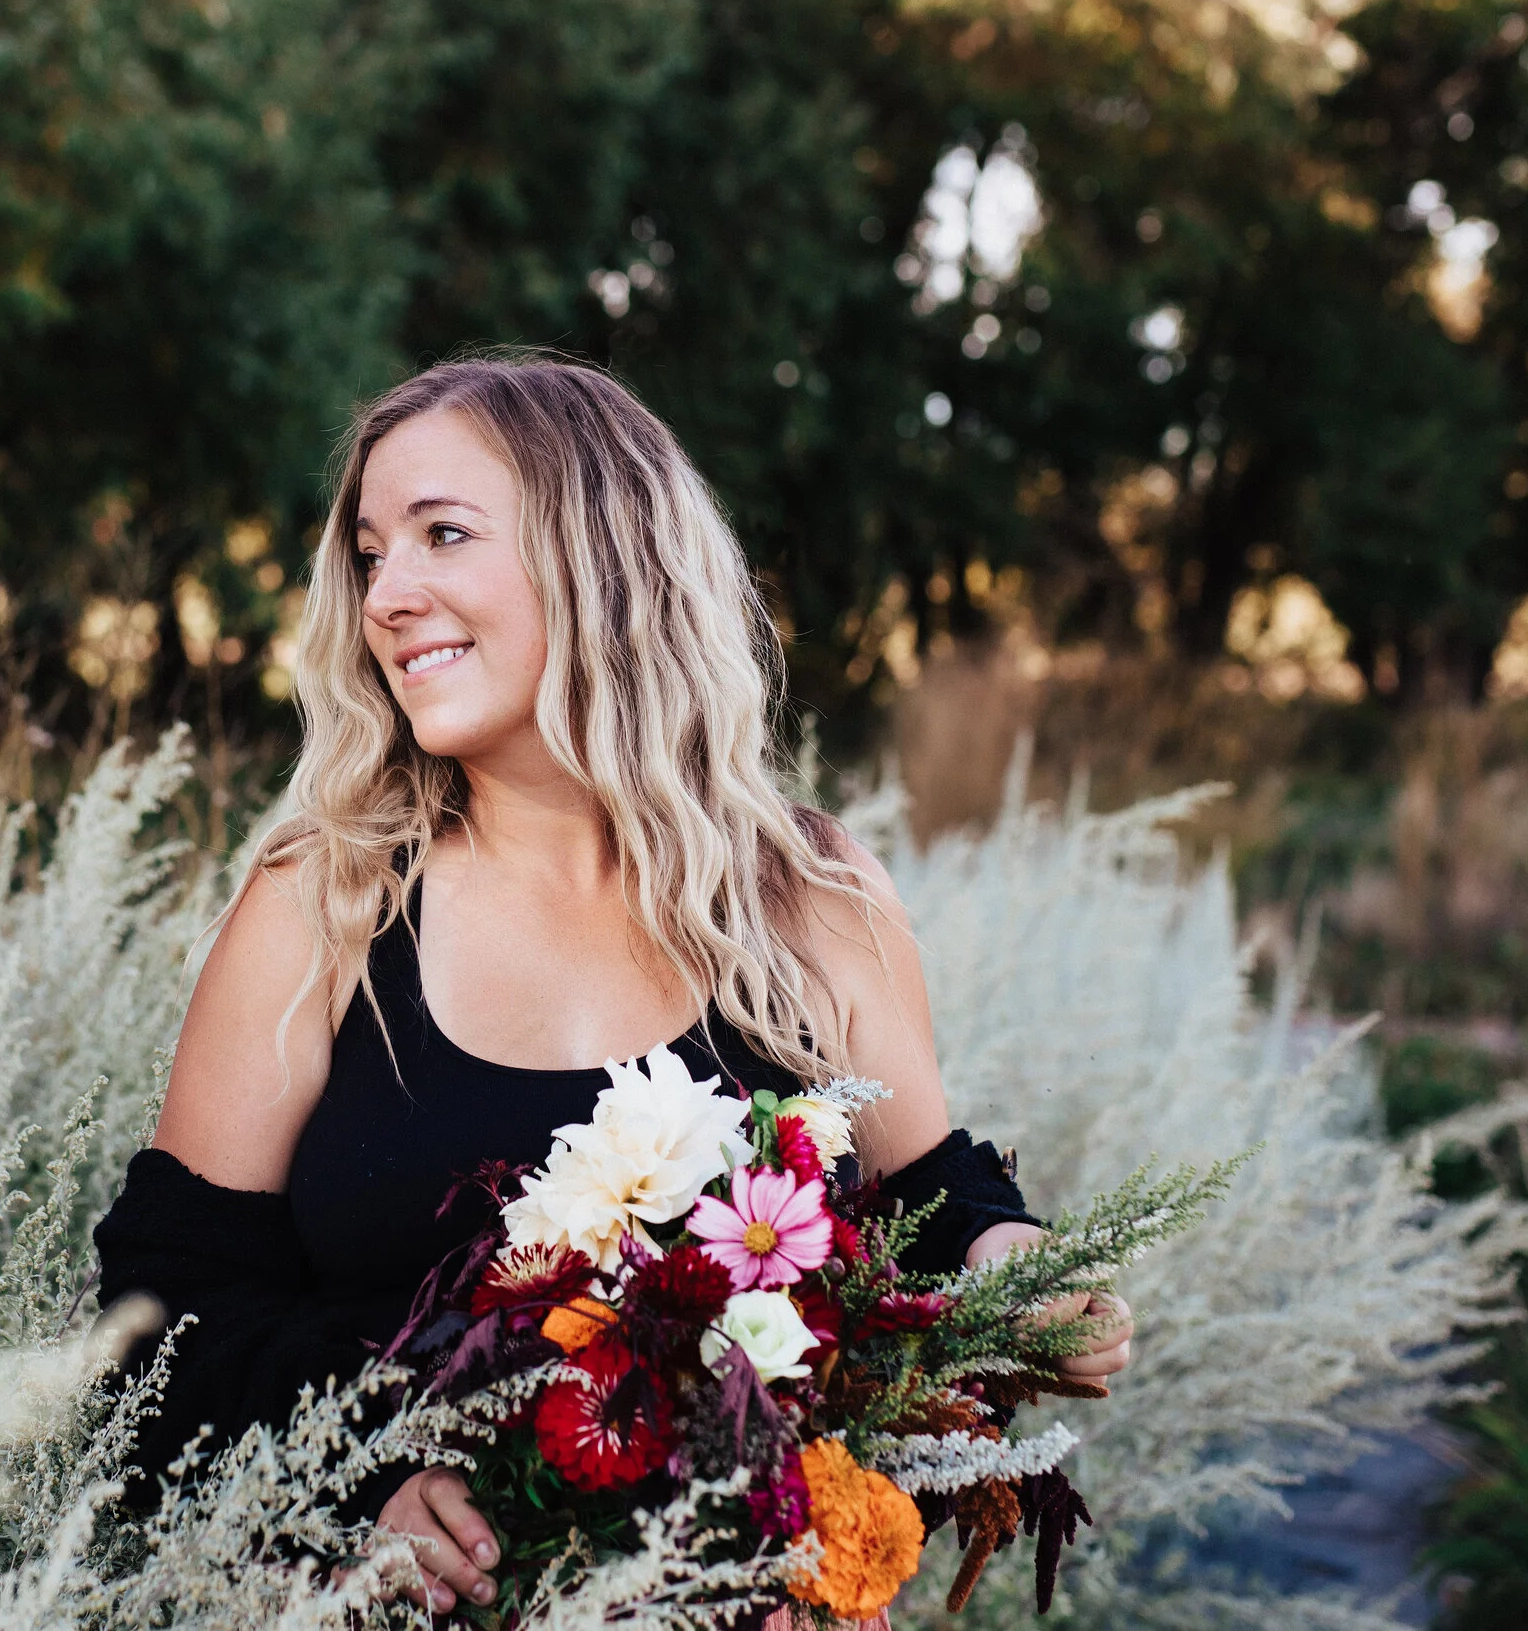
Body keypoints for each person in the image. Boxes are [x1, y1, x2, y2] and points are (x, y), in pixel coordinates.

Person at [92, 354, 1132, 1614]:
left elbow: (929, 1201)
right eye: (371, 554)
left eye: (443, 534)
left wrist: (1020, 1275)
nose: (388, 594)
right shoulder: (330, 900)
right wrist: (361, 1483)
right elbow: (162, 1306)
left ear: (604, 556)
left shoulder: (809, 894)